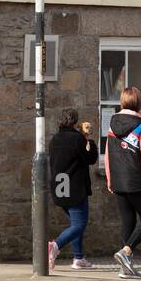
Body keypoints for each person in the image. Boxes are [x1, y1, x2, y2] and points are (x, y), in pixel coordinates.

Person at [104, 86, 141, 278]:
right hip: (136, 181)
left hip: (119, 181)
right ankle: (126, 252)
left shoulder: (112, 124)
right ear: (138, 103)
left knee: (128, 221)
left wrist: (110, 180)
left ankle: (125, 268)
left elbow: (108, 156)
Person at [47, 108, 98, 271]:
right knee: (80, 224)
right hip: (75, 187)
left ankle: (79, 258)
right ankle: (55, 245)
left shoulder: (54, 139)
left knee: (75, 223)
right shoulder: (77, 139)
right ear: (75, 122)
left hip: (59, 187)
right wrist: (91, 142)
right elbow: (91, 159)